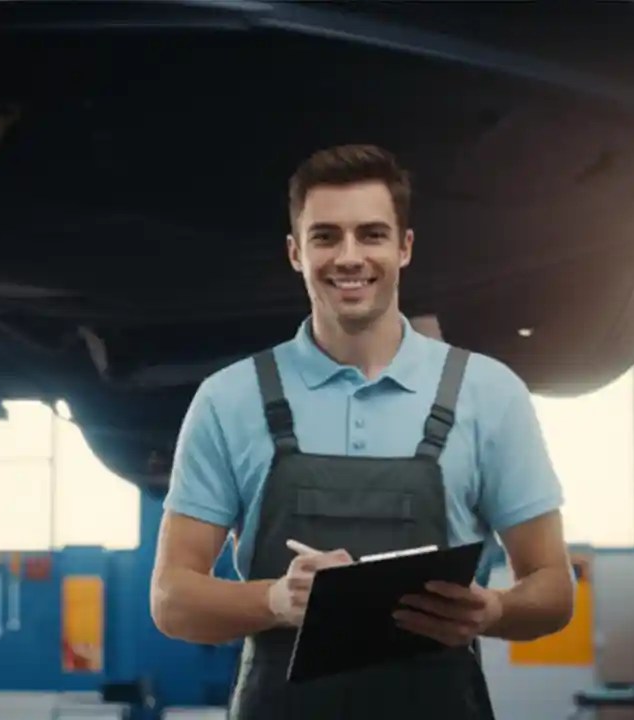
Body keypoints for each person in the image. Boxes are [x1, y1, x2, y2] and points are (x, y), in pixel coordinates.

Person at [149, 144, 575, 719]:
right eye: (326, 237)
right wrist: (278, 599)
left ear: (404, 248)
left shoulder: (488, 393)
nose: (349, 256)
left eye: (371, 234)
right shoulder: (230, 398)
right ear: (296, 253)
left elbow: (553, 589)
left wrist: (493, 610)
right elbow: (172, 599)